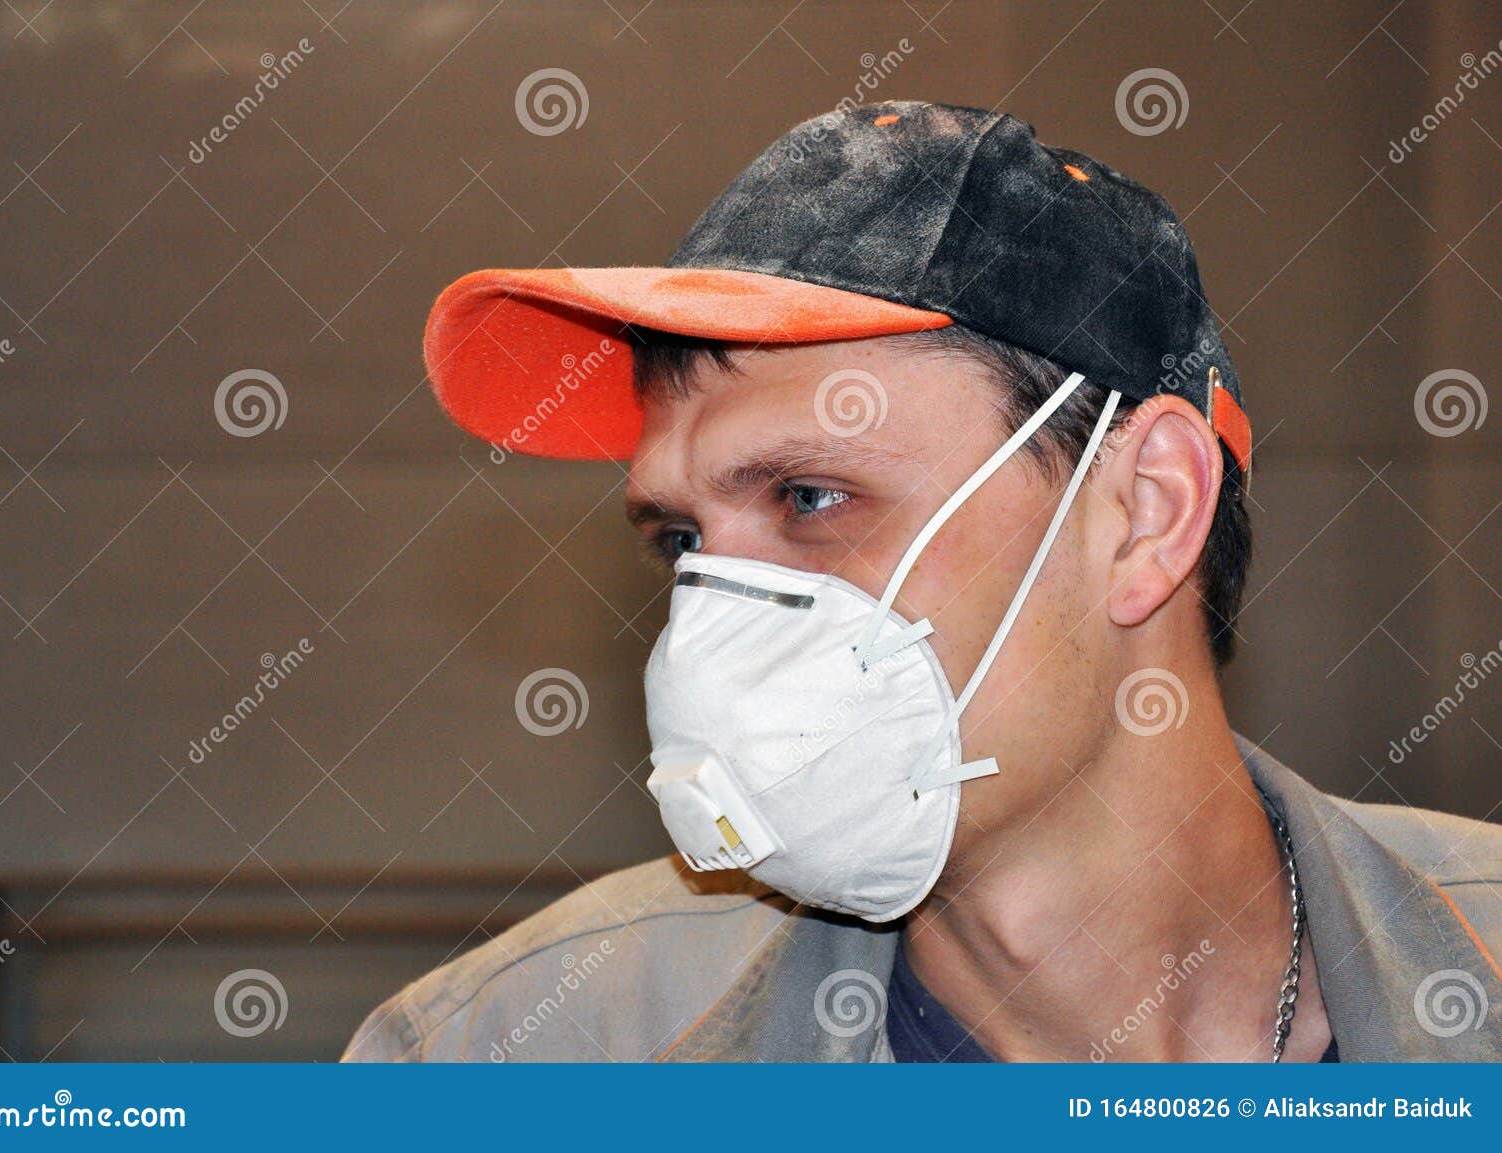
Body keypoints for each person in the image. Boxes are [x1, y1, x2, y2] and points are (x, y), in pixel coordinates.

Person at [344, 102, 1502, 1062]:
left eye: (809, 498)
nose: (708, 631)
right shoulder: (509, 1058)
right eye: (681, 542)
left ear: (1147, 511)